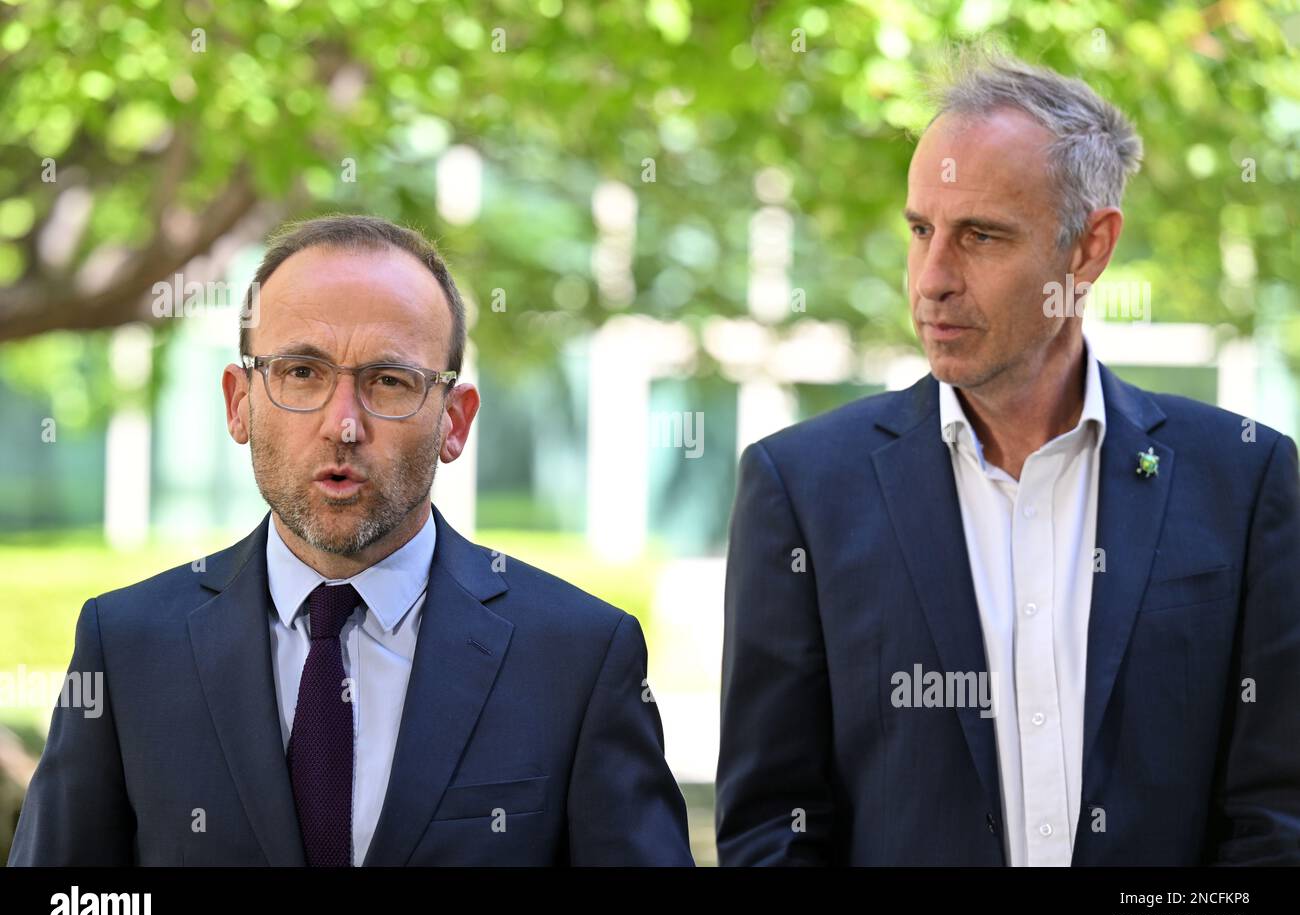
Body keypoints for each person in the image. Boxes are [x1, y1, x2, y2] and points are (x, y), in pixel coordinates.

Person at [716, 50, 1300, 865]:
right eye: (920, 231)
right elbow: (772, 827)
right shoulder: (803, 488)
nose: (932, 280)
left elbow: (1275, 817)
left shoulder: (1243, 479)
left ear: (1088, 250)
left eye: (980, 236)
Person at [10, 214, 693, 866]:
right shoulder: (127, 647)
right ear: (238, 403)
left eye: (389, 381)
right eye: (301, 372)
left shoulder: (577, 659)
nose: (343, 424)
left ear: (455, 422)